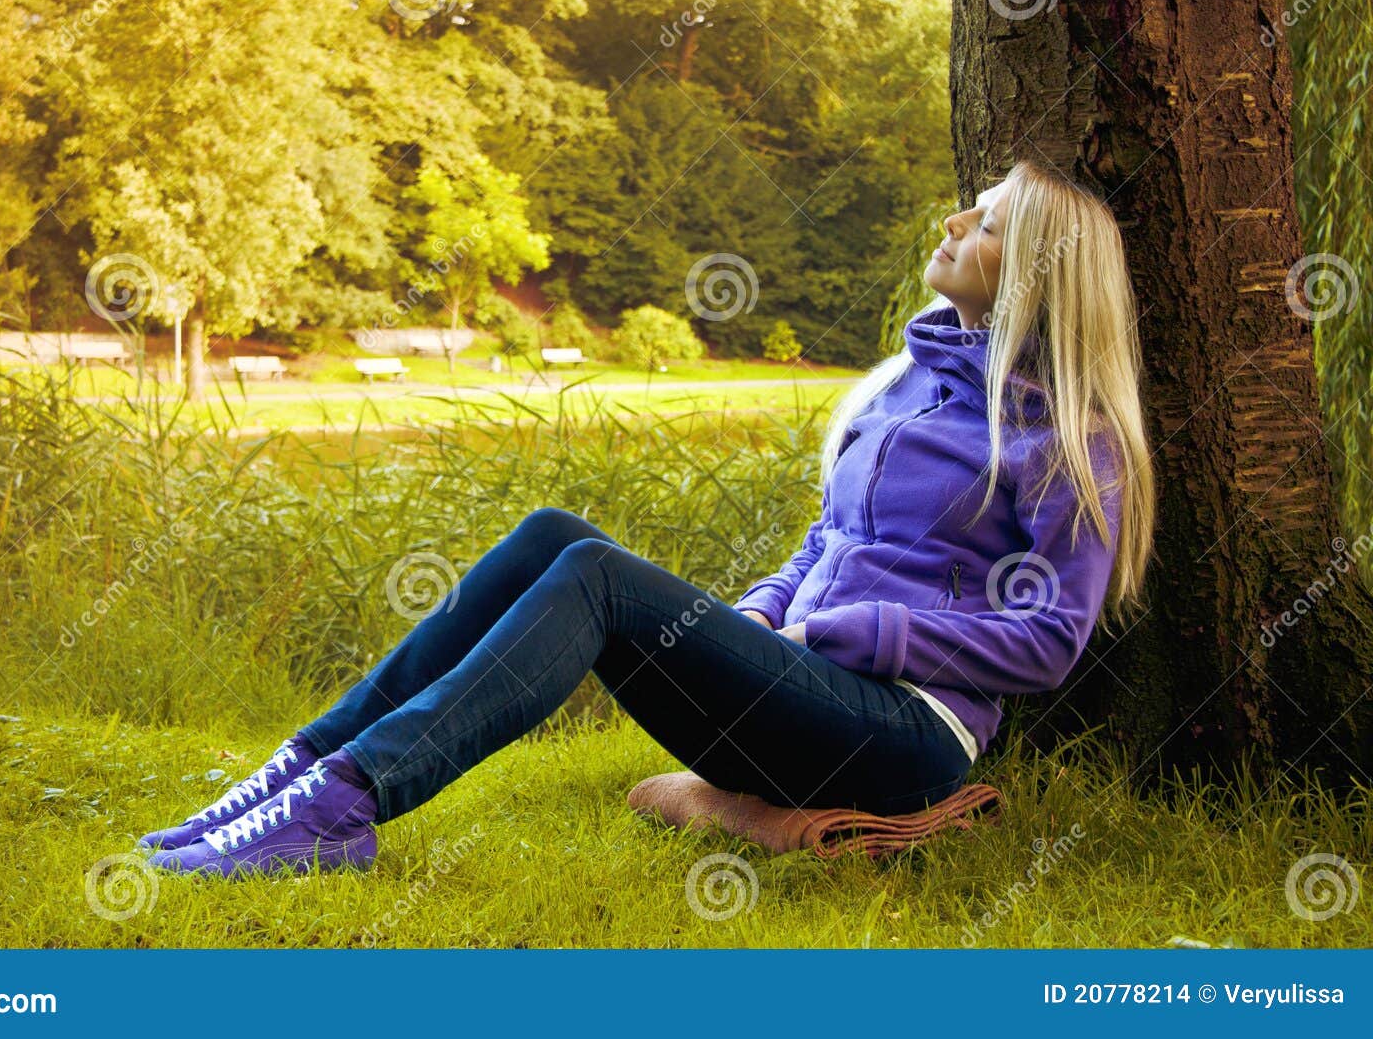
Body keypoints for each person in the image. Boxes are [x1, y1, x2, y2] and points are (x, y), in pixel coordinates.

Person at [139, 159, 1155, 878]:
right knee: (553, 533)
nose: (954, 222)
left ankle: (343, 806)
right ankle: (297, 772)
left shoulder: (1068, 438)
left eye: (986, 223)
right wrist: (761, 612)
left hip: (902, 733)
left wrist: (871, 631)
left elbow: (1050, 639)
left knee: (595, 575)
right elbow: (827, 541)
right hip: (803, 687)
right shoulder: (905, 383)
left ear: (1036, 273)